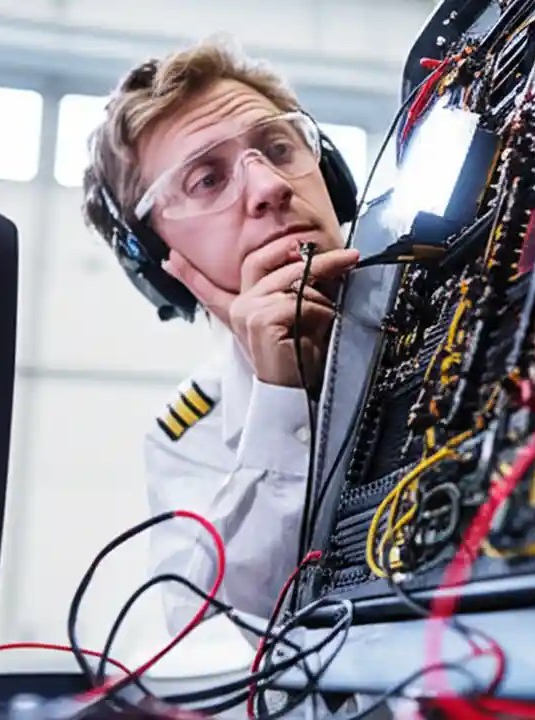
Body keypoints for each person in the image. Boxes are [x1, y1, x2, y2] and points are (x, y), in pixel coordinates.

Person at [80, 36, 360, 635]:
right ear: (161, 262)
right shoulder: (186, 434)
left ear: (329, 175)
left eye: (279, 148)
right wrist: (282, 400)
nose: (269, 188)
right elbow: (219, 655)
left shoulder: (469, 269)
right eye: (207, 179)